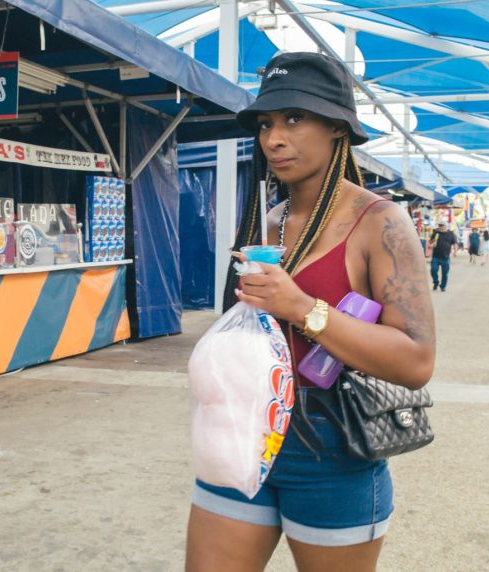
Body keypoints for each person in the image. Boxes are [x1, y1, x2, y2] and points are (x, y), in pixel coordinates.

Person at [187, 52, 436, 572]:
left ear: (337, 128)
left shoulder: (380, 222)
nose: (274, 139)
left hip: (331, 446)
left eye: (294, 119)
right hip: (241, 431)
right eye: (266, 123)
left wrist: (302, 308)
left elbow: (416, 361)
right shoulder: (265, 220)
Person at [430, 221, 457, 292]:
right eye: (439, 225)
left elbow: (455, 243)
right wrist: (433, 241)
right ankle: (436, 282)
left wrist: (455, 252)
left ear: (445, 226)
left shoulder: (451, 234)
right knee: (433, 270)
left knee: (445, 273)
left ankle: (443, 286)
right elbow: (430, 242)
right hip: (435, 256)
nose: (439, 227)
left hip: (445, 257)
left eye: (441, 225)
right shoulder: (436, 233)